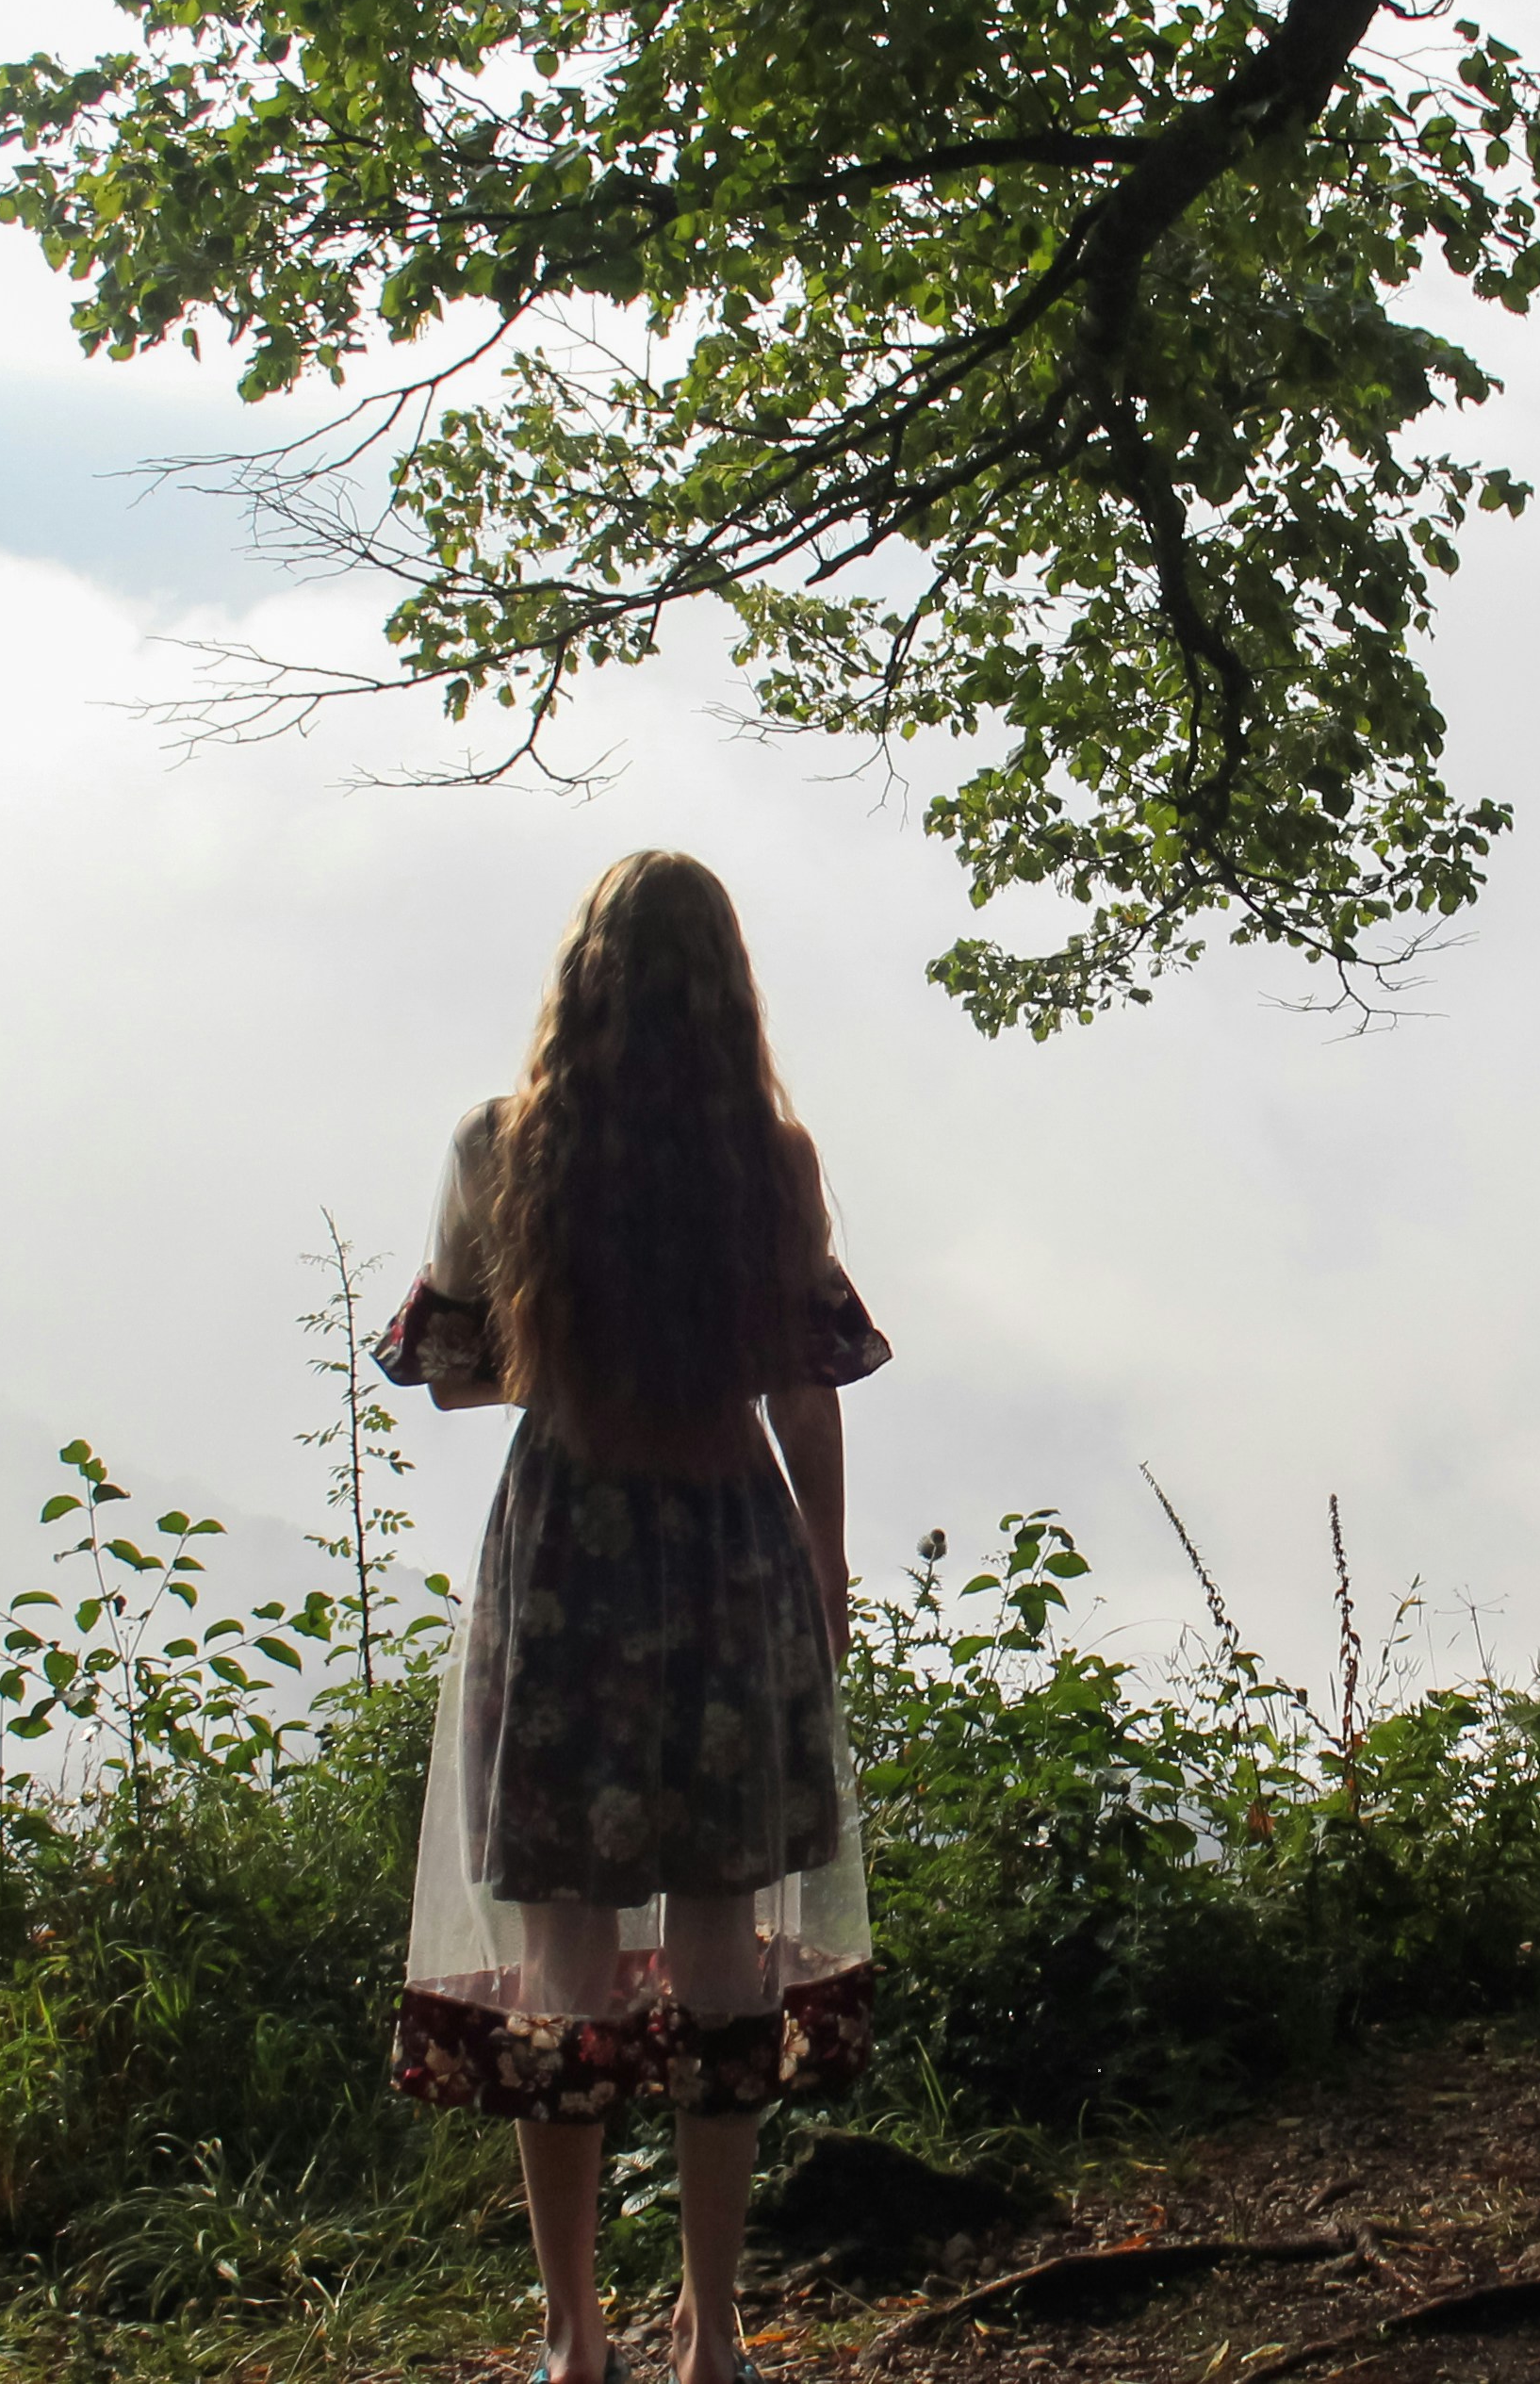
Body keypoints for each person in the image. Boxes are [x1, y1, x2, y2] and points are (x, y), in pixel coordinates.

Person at [373, 851, 888, 2384]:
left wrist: (572, 1345)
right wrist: (826, 1558)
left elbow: (460, 1375)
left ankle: (570, 2334)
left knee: (568, 1951)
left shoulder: (498, 1147)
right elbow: (806, 1379)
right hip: (732, 1541)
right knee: (726, 1936)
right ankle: (714, 2330)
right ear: (729, 985)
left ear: (578, 978)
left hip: (574, 1549)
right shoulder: (772, 1161)